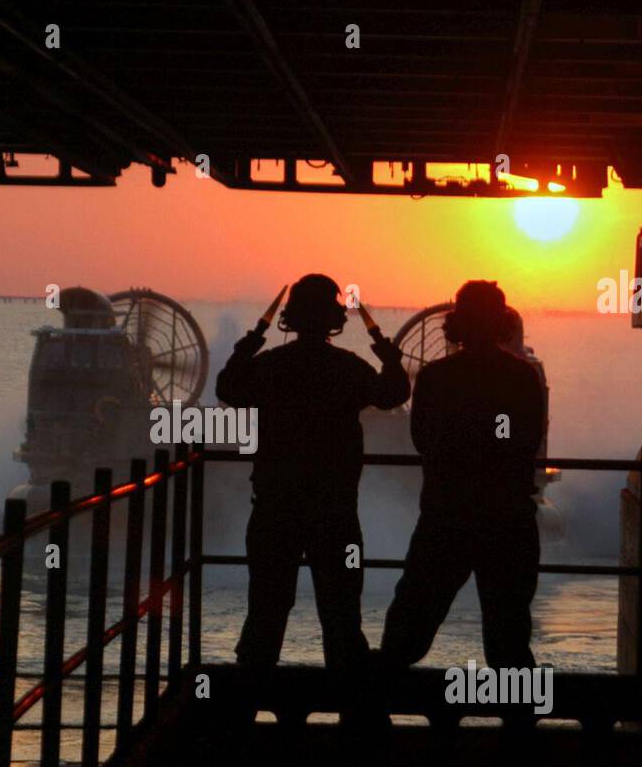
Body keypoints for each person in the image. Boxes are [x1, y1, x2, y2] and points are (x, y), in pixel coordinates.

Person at [216, 274, 410, 719]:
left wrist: (250, 341)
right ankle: (356, 719)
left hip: (273, 510)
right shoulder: (348, 368)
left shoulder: (268, 367)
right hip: (336, 513)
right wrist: (387, 353)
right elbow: (394, 393)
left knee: (266, 610)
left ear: (289, 318)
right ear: (335, 320)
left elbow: (228, 388)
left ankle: (243, 717)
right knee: (342, 616)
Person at [380, 280, 545, 672]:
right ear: (502, 323)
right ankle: (520, 723)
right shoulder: (522, 377)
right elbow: (524, 440)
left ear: (455, 324)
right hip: (508, 521)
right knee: (509, 642)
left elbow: (422, 439)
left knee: (407, 630)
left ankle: (370, 715)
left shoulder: (435, 377)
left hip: (445, 517)